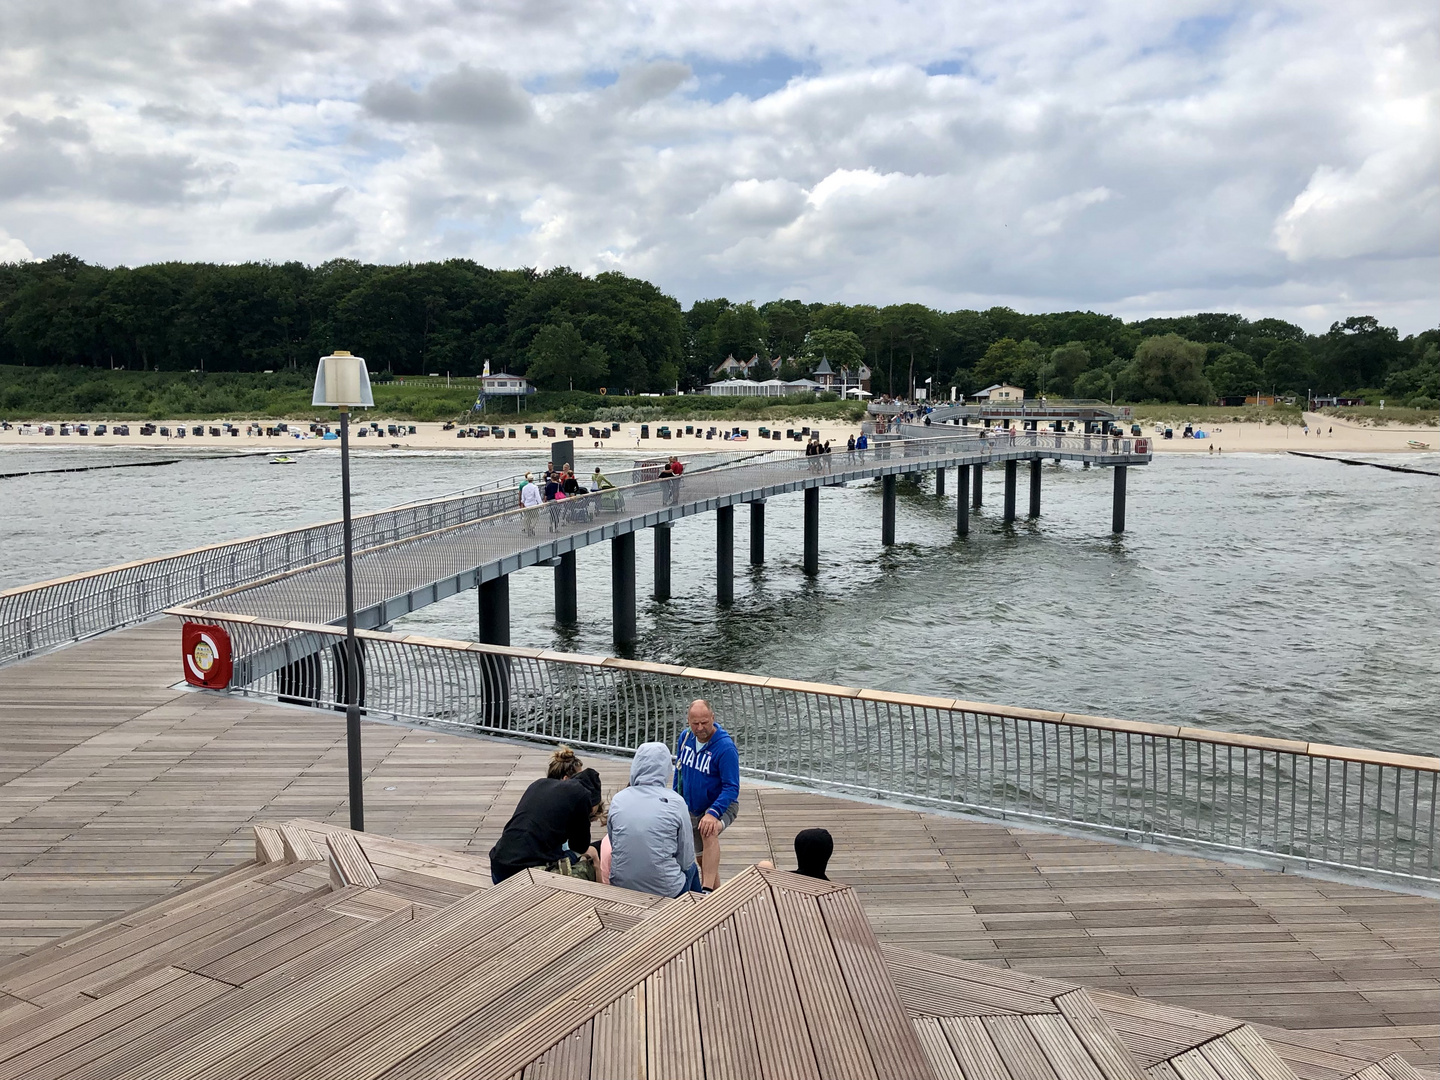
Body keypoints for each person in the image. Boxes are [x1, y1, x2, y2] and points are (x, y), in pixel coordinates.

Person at [608, 742, 701, 897]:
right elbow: (686, 858)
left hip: (621, 883)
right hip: (665, 889)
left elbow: (614, 842)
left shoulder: (618, 799)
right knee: (691, 869)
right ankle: (700, 912)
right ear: (666, 768)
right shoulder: (676, 802)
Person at [488, 759, 603, 884]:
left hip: (498, 870)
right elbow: (580, 846)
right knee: (591, 854)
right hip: (526, 877)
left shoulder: (539, 783)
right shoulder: (582, 795)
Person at [674, 699, 740, 892]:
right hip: (692, 807)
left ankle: (707, 891)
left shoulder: (725, 748)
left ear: (713, 718)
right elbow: (679, 773)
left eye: (705, 722)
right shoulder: (685, 738)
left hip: (721, 805)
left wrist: (713, 812)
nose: (700, 728)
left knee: (708, 830)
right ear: (688, 721)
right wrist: (675, 801)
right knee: (702, 860)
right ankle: (718, 899)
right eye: (695, 723)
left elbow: (731, 787)